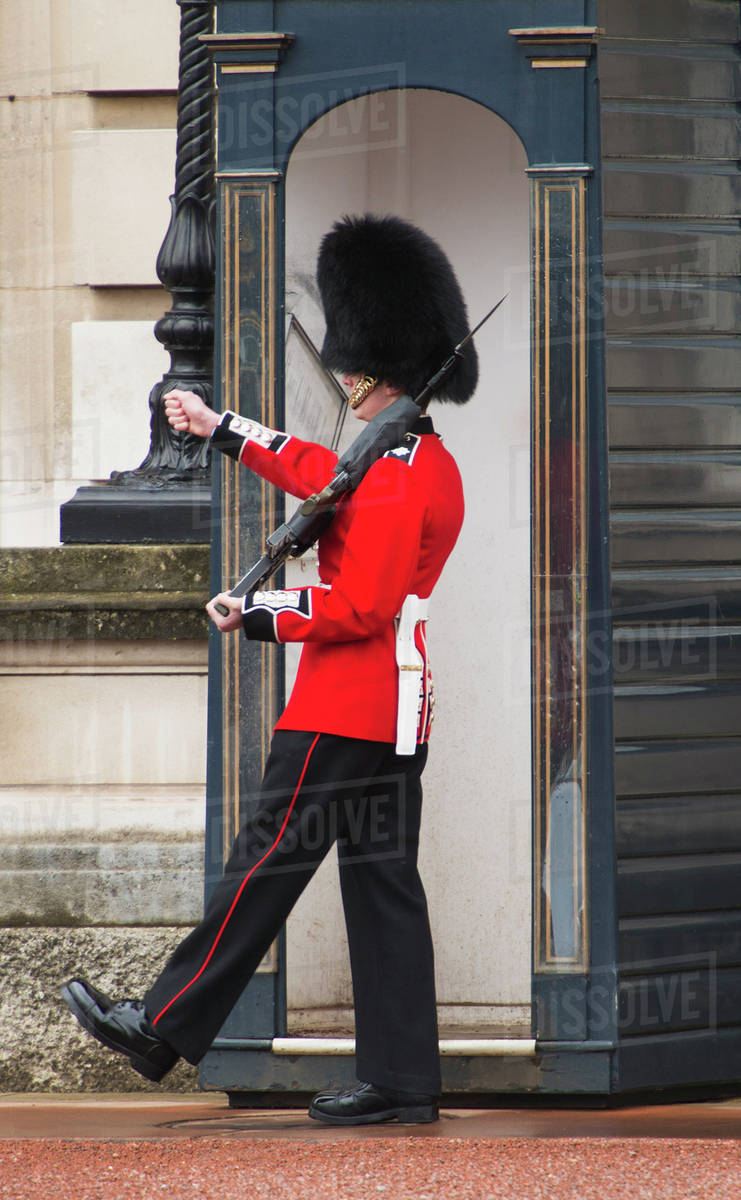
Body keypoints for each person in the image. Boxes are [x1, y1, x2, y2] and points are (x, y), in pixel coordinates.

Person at [61, 213, 478, 1125]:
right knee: (382, 885)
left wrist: (256, 612)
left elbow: (359, 605)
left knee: (262, 867)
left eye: (355, 371)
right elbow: (319, 470)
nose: (346, 382)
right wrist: (222, 428)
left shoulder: (400, 470)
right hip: (392, 710)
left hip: (346, 702)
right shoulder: (409, 458)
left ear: (381, 370)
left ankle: (160, 1026)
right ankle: (403, 1081)